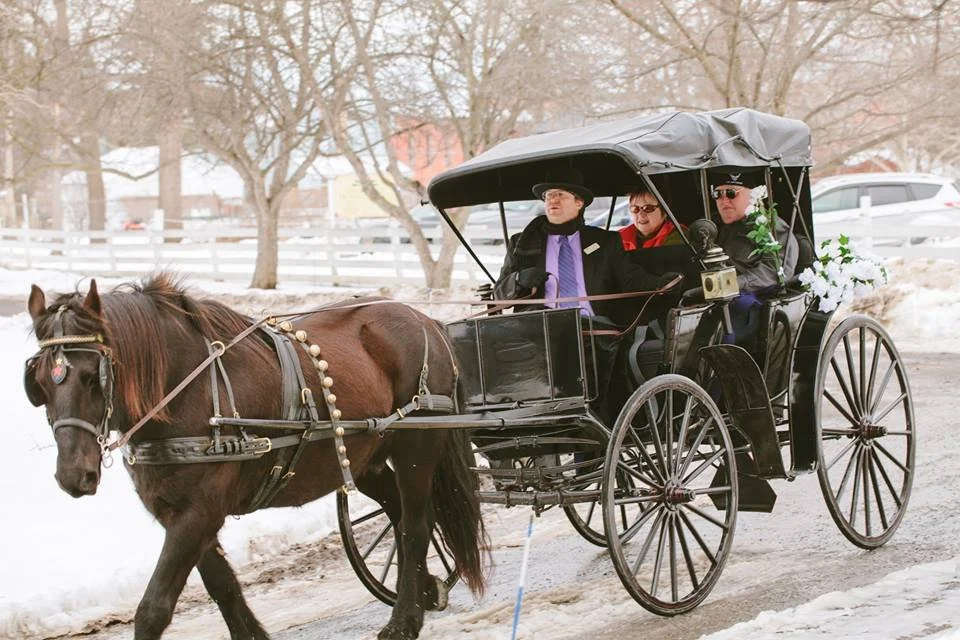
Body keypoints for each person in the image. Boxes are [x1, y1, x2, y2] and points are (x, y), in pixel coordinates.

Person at [493, 167, 677, 328]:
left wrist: (661, 285)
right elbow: (498, 295)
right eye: (549, 195)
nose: (552, 200)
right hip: (540, 330)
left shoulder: (606, 241)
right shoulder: (522, 243)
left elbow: (630, 279)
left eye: (560, 195)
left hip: (594, 330)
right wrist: (518, 279)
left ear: (578, 203)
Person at [710, 170, 799, 346]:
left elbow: (776, 271)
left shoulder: (770, 228)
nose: (723, 200)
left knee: (720, 328)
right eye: (717, 194)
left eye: (731, 193)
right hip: (716, 300)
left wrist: (735, 283)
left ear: (751, 197)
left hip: (754, 307)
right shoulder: (713, 228)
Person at [619, 186, 685, 250]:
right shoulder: (618, 237)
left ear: (665, 212)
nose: (641, 214)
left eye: (648, 208)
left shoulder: (679, 236)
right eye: (635, 209)